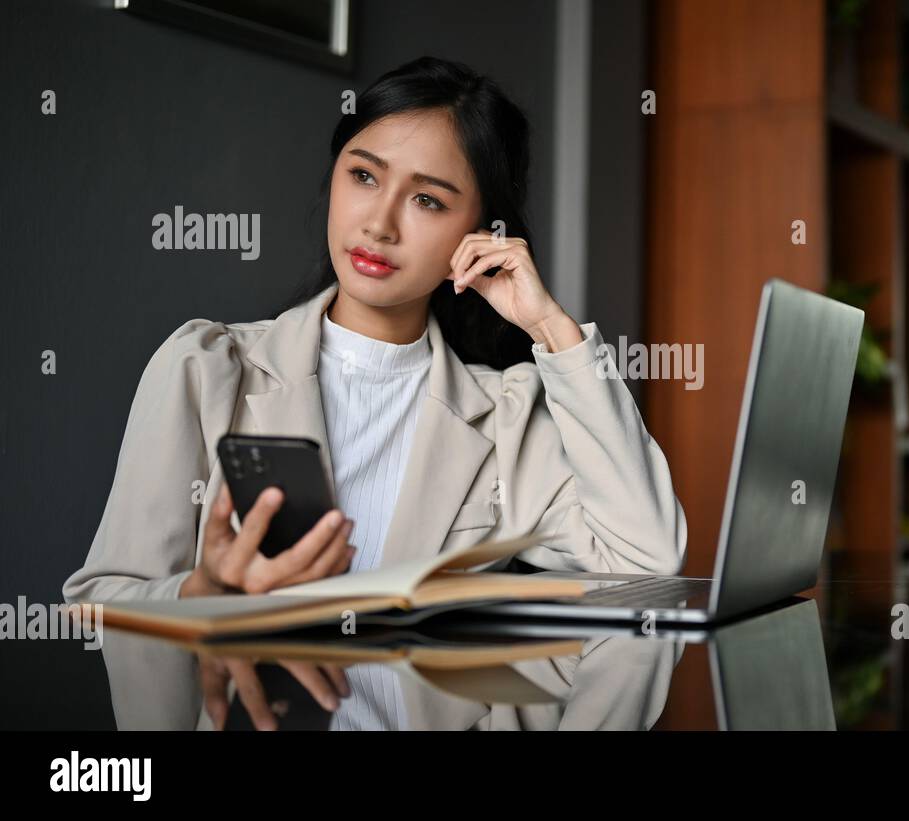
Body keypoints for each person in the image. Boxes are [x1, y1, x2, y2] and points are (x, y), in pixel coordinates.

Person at [63, 54, 687, 606]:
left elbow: (647, 563)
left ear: (482, 233)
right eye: (364, 175)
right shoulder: (204, 370)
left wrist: (552, 328)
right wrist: (204, 595)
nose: (380, 224)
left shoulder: (507, 416)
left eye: (428, 200)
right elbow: (105, 598)